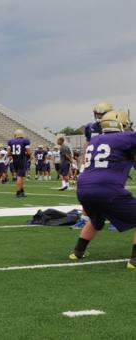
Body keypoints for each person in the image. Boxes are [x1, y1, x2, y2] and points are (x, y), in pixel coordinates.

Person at [69, 110, 136, 269]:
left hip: (83, 188)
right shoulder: (125, 137)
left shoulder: (95, 140)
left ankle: (77, 251)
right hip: (106, 188)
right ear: (121, 124)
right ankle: (134, 260)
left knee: (96, 220)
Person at [7, 130, 32, 198]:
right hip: (22, 160)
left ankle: (22, 191)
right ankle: (18, 192)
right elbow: (29, 153)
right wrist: (25, 154)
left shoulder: (11, 141)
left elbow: (8, 153)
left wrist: (15, 154)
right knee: (20, 176)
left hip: (15, 160)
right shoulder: (25, 141)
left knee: (20, 176)